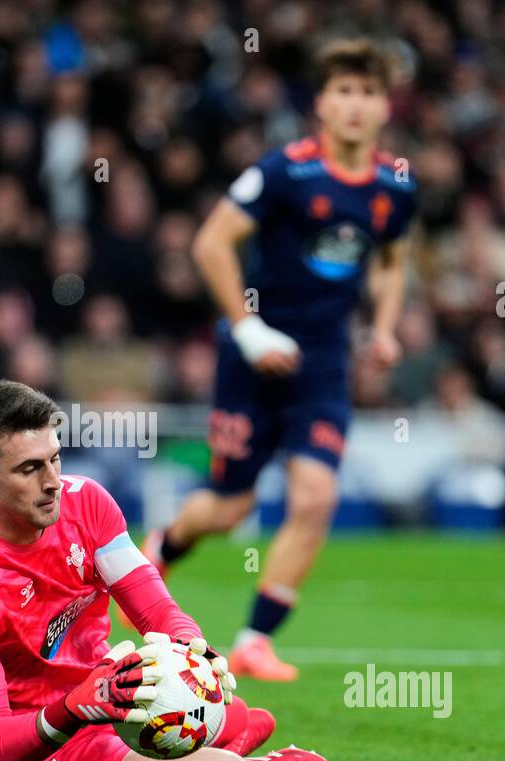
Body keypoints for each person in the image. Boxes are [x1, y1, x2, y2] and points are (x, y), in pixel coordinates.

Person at [140, 39, 417, 681]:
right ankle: (160, 548)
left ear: (384, 106)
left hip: (321, 367)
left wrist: (382, 328)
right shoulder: (284, 171)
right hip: (252, 359)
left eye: (368, 92)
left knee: (316, 496)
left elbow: (393, 260)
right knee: (230, 507)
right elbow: (211, 243)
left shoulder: (395, 187)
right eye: (343, 91)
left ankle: (254, 639)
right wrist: (248, 328)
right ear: (321, 103)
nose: (355, 105)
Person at [0, 380, 330, 761]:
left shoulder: (87, 503)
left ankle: (213, 745)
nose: (54, 481)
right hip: (41, 748)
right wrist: (74, 707)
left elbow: (154, 606)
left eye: (55, 459)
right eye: (30, 468)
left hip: (114, 695)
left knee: (231, 712)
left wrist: (193, 650)